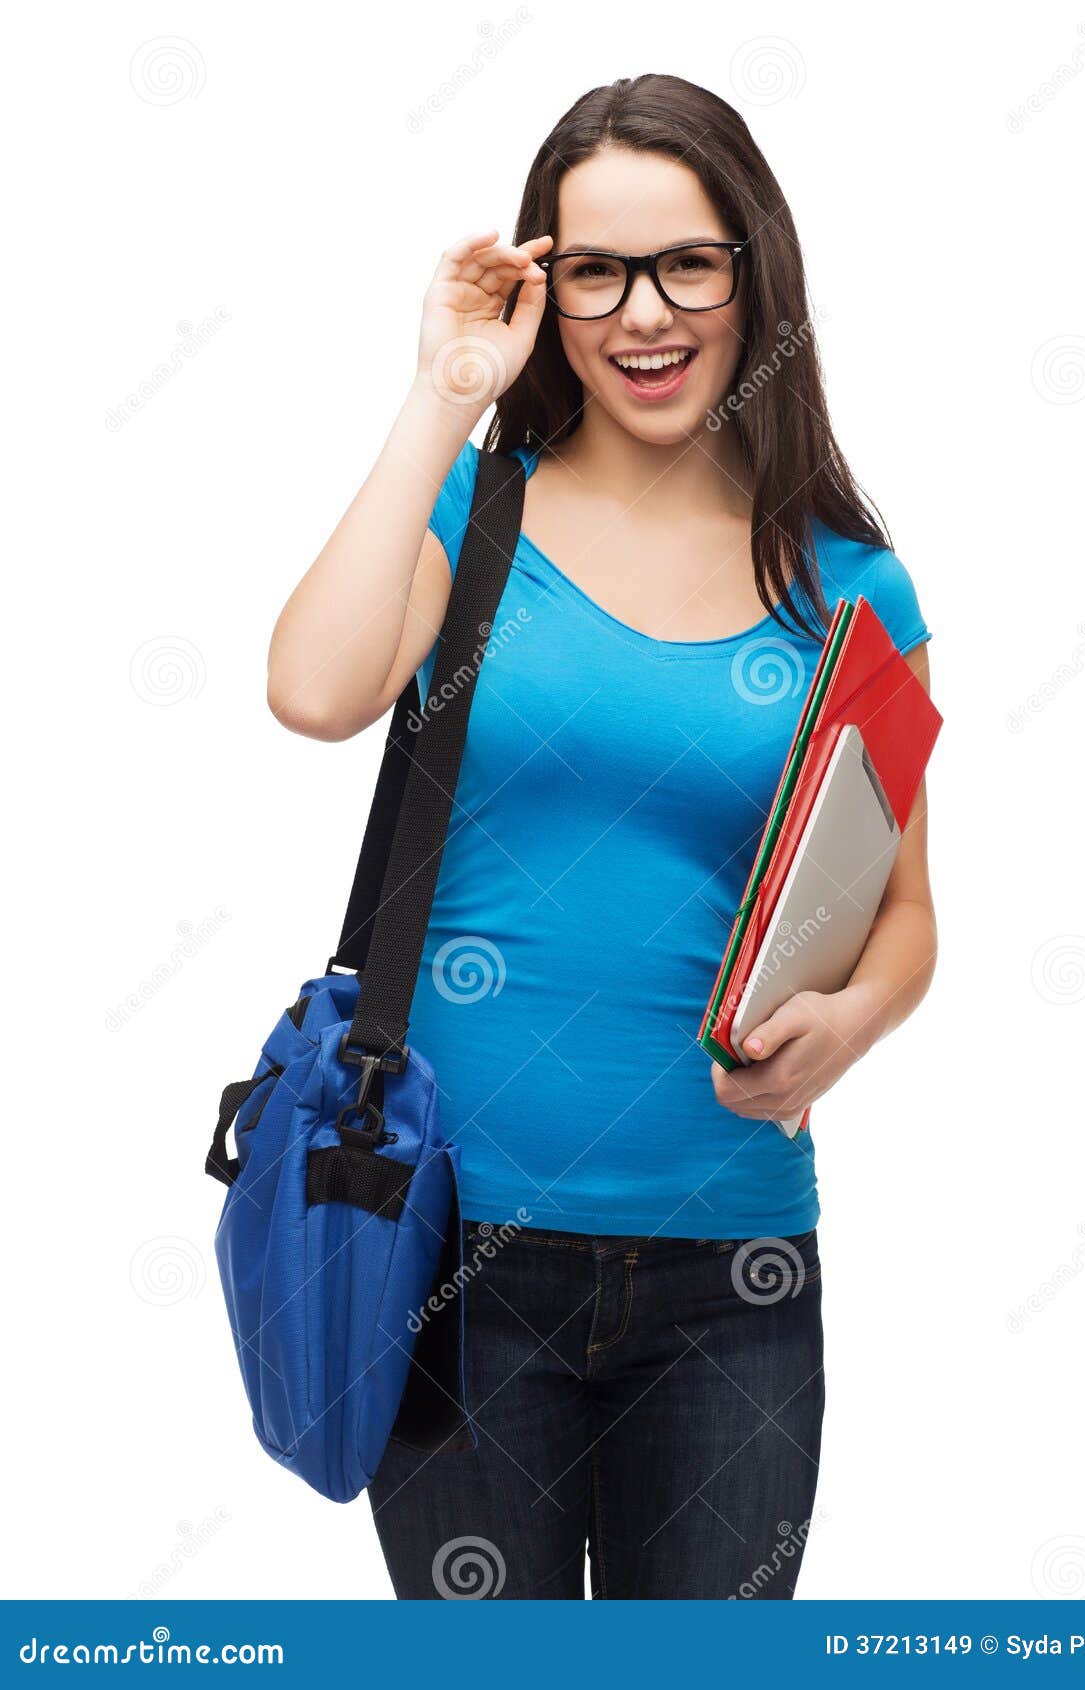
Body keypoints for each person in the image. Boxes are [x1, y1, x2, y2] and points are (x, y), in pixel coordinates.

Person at [267, 73, 937, 1600]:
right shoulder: (472, 519)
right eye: (593, 269)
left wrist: (853, 1019)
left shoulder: (849, 587)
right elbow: (311, 692)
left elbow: (906, 908)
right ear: (544, 285)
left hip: (734, 1279)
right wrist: (444, 394)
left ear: (752, 271)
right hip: (447, 1255)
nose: (644, 311)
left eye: (687, 262)